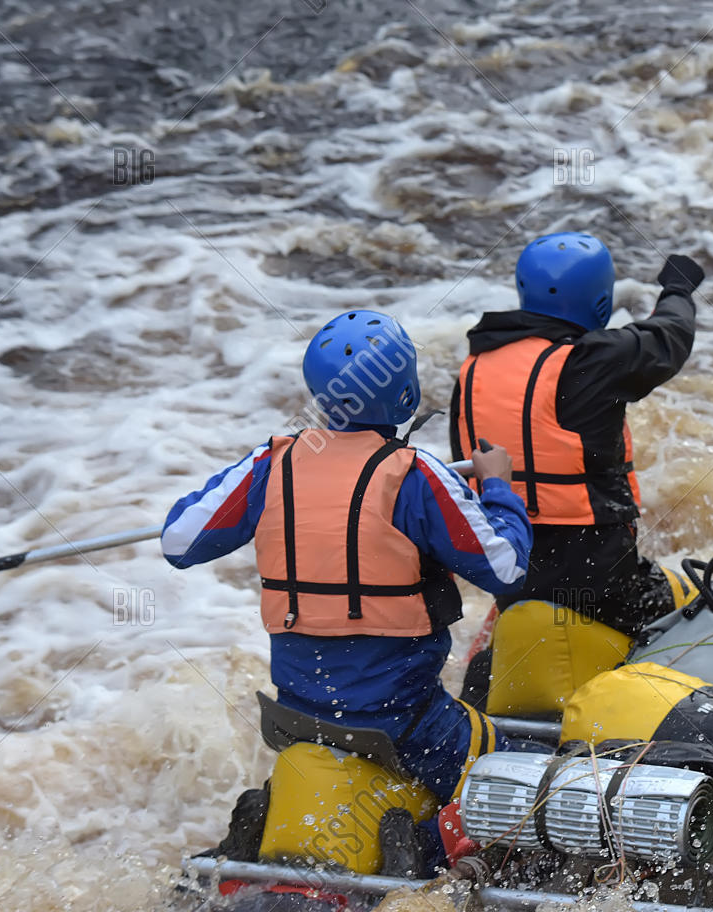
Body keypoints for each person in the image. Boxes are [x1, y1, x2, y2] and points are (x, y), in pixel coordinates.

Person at [162, 309, 532, 813]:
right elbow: (506, 567)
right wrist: (496, 485)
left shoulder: (269, 464)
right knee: (517, 790)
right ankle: (424, 845)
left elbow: (179, 541)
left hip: (295, 715)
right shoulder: (417, 475)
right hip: (403, 720)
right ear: (407, 394)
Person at [450, 231, 704, 636]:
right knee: (670, 613)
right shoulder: (593, 358)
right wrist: (678, 288)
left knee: (534, 620)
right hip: (591, 557)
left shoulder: (474, 367)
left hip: (509, 549)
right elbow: (669, 337)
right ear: (600, 300)